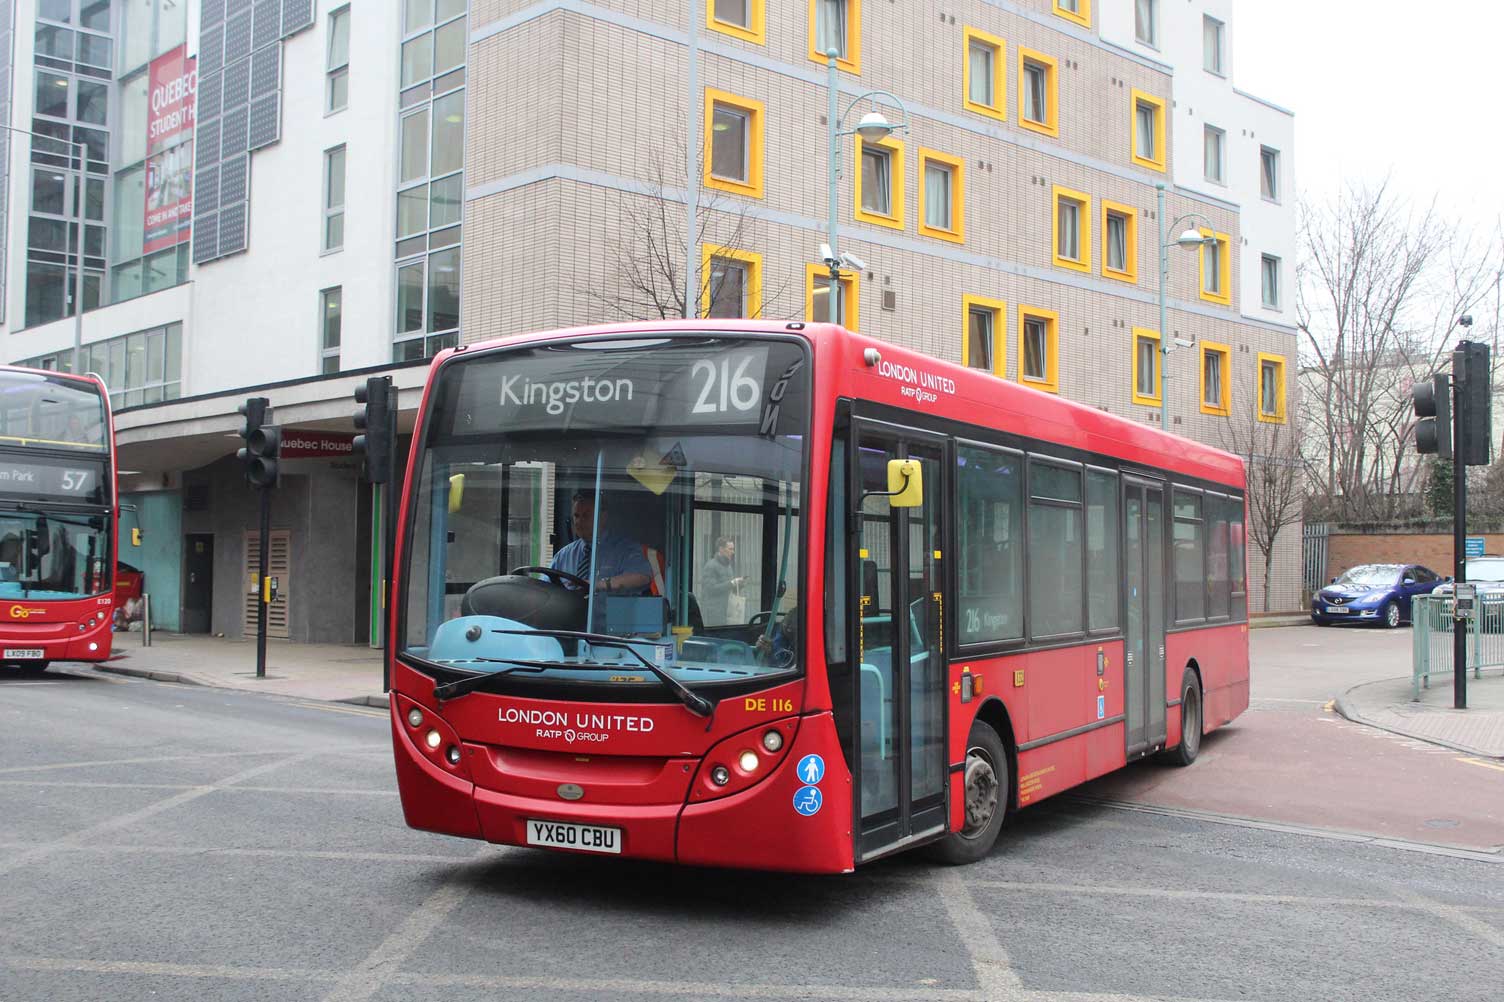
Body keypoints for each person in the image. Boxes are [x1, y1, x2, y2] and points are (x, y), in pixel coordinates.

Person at [549, 491, 651, 596]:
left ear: (603, 516)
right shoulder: (563, 555)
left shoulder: (624, 549)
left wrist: (598, 585)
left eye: (586, 515)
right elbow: (544, 585)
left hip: (611, 612)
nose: (579, 522)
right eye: (576, 516)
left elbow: (642, 576)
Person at [698, 536, 745, 624]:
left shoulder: (728, 566)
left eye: (733, 549)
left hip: (727, 610)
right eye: (730, 549)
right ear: (721, 549)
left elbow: (727, 588)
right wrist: (732, 583)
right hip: (714, 613)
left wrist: (738, 585)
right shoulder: (711, 566)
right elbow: (710, 589)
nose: (733, 552)